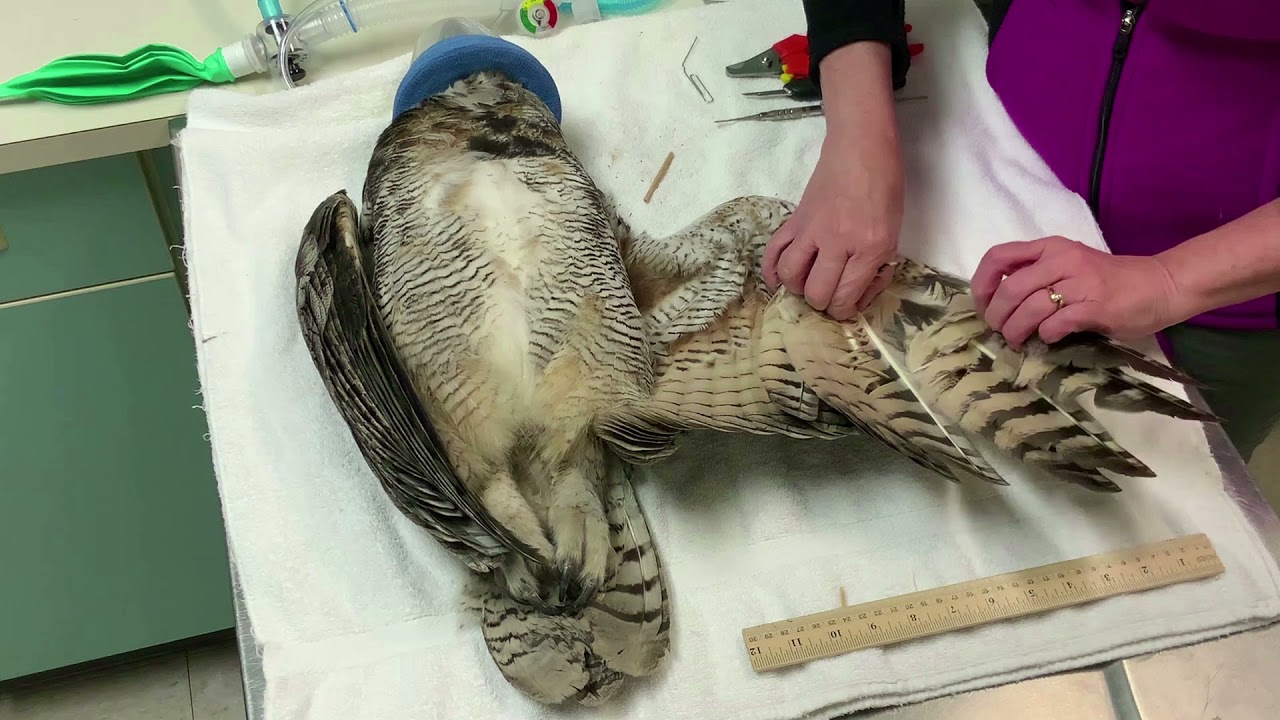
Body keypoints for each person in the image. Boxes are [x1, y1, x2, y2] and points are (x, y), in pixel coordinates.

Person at [763, 0, 1280, 462]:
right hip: (1003, 165)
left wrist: (1172, 280)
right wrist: (859, 139)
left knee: (1172, 486)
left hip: (1229, 292)